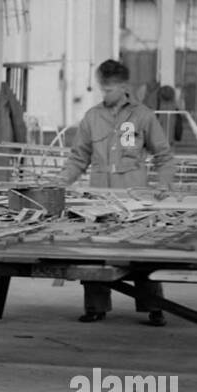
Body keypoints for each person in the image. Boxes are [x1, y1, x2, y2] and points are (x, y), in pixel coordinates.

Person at [56, 59, 176, 325]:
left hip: (134, 200)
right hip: (100, 199)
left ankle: (154, 307)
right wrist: (62, 180)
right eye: (102, 89)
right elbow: (78, 157)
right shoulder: (92, 117)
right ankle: (95, 307)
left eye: (109, 89)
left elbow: (164, 156)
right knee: (95, 252)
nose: (105, 94)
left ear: (123, 87)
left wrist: (163, 184)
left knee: (141, 254)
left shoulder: (143, 116)